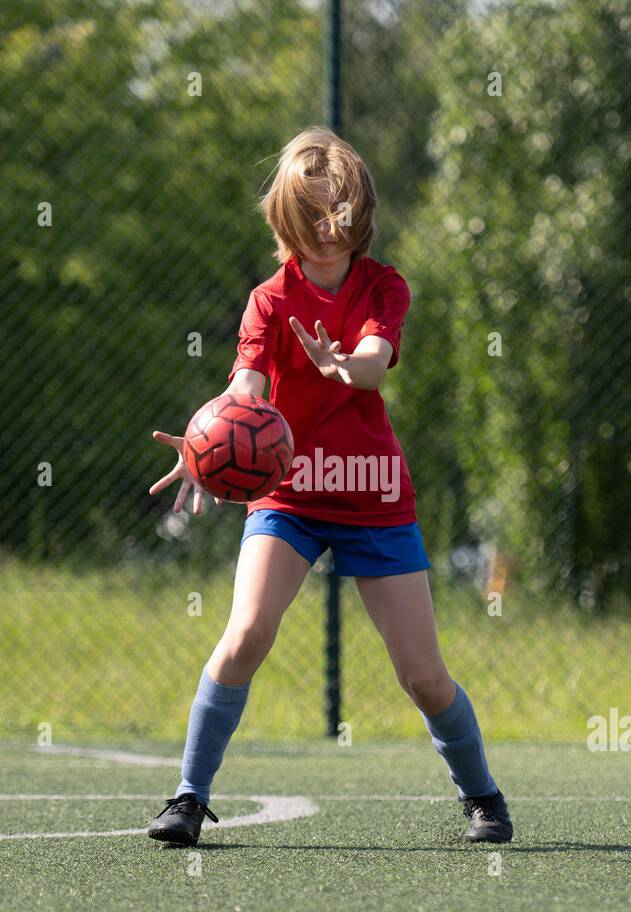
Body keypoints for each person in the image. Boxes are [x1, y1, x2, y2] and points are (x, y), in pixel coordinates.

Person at [145, 127, 512, 846]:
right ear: (284, 215)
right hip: (289, 496)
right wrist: (205, 445)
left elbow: (374, 362)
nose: (321, 227)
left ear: (357, 216)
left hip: (373, 495)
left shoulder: (383, 286)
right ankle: (188, 797)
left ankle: (484, 796)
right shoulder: (268, 301)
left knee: (425, 678)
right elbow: (246, 386)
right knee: (246, 632)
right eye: (306, 212)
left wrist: (341, 362)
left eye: (334, 213)